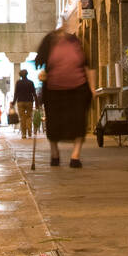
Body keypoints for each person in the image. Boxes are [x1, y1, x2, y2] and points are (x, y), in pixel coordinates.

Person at [35, 28, 95, 167]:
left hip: (78, 88)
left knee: (79, 121)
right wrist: (43, 73)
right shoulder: (49, 41)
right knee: (54, 122)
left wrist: (92, 88)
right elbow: (40, 61)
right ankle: (54, 152)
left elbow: (87, 65)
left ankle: (75, 156)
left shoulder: (76, 42)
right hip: (54, 90)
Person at [13, 68, 36, 138]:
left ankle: (24, 134)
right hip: (29, 101)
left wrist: (13, 102)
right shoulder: (31, 82)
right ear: (27, 74)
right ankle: (29, 131)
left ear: (20, 75)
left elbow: (16, 93)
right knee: (29, 116)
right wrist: (37, 103)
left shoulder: (18, 82)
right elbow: (34, 93)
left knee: (22, 118)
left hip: (20, 101)